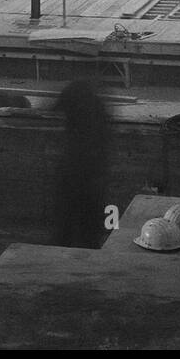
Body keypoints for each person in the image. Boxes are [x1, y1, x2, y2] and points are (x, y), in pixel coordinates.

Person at [52, 79, 112, 249]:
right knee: (88, 232)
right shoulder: (97, 109)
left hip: (75, 176)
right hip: (91, 178)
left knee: (66, 229)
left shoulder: (78, 107)